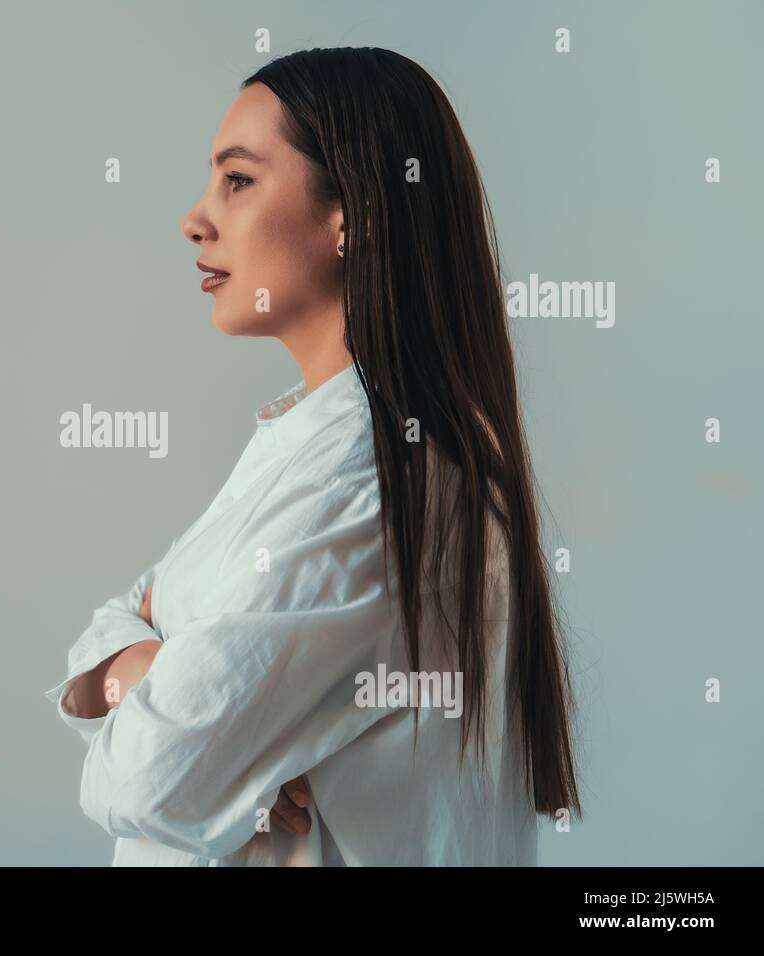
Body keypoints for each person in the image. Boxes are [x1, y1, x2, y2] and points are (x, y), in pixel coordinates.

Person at [43, 47, 582, 866]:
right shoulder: (318, 445)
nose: (195, 218)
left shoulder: (375, 474)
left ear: (353, 214)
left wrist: (173, 699)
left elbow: (146, 781)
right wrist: (150, 666)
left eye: (239, 180)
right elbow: (103, 643)